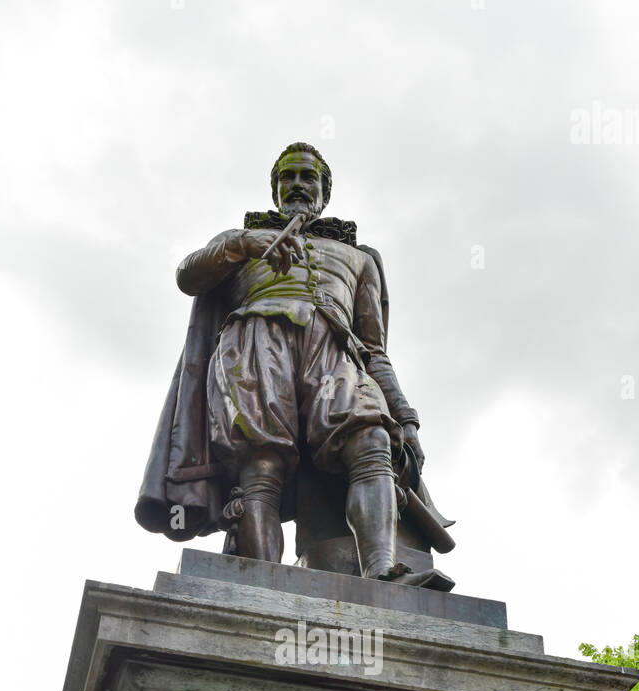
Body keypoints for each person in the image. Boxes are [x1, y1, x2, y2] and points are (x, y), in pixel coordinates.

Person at [136, 142, 442, 585]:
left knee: (373, 438)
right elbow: (187, 275)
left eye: (307, 176)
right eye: (288, 177)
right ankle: (266, 581)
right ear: (277, 188)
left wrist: (406, 416)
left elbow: (374, 349)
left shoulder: (362, 259)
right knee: (261, 465)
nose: (297, 184)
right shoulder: (240, 242)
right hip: (255, 343)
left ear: (324, 190)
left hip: (335, 351)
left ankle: (383, 571)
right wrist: (242, 245)